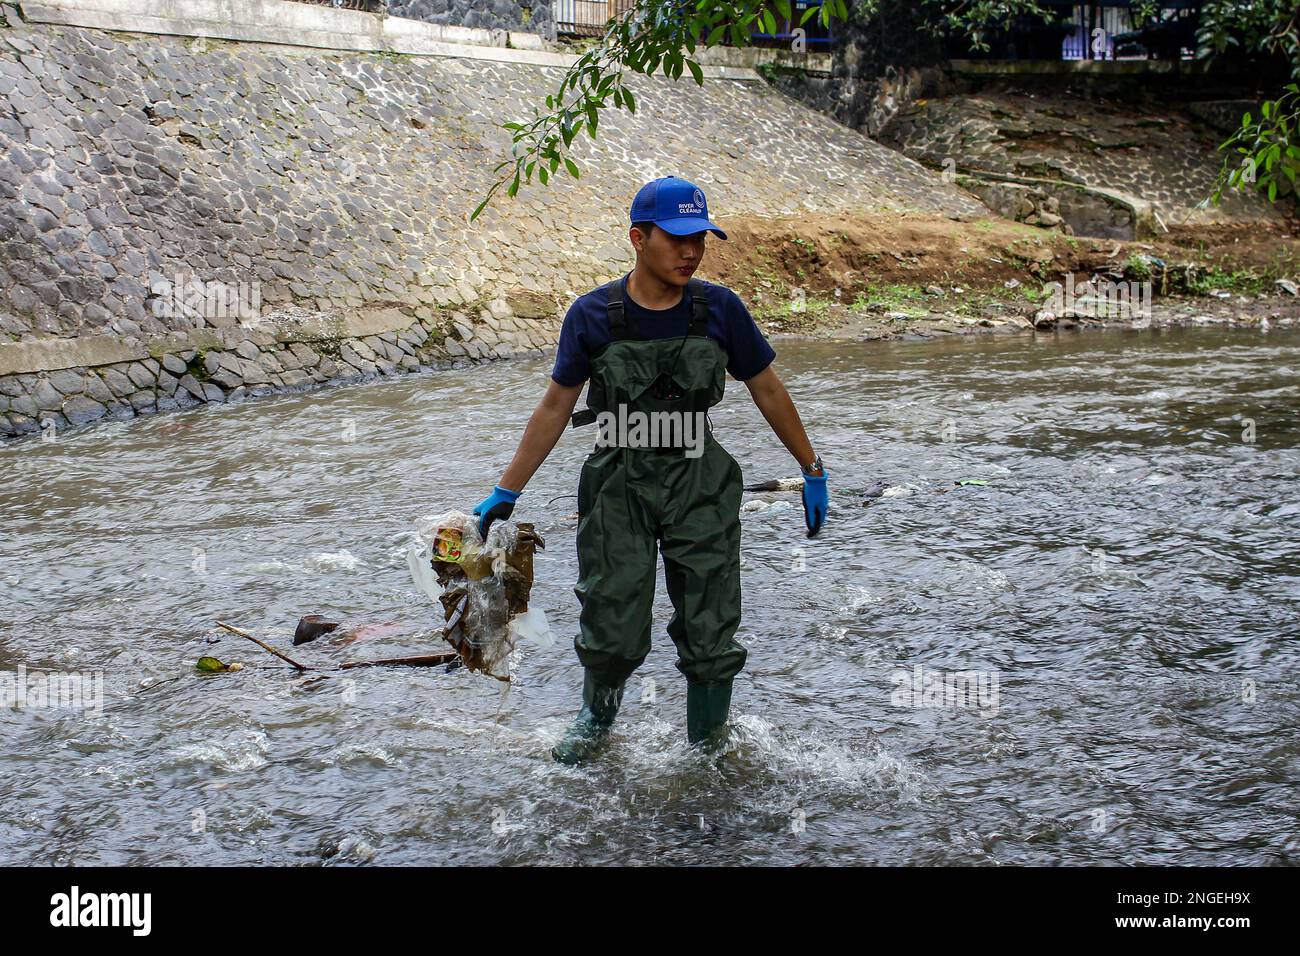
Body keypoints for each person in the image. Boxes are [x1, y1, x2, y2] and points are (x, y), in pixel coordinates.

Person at [473, 175, 828, 764]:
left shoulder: (720, 309)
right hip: (618, 482)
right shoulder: (592, 315)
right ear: (638, 238)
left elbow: (765, 386)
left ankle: (708, 748)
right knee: (612, 619)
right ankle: (596, 719)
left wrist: (811, 467)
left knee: (710, 624)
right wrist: (506, 490)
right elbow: (557, 404)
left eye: (701, 239)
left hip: (701, 479)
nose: (692, 251)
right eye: (678, 238)